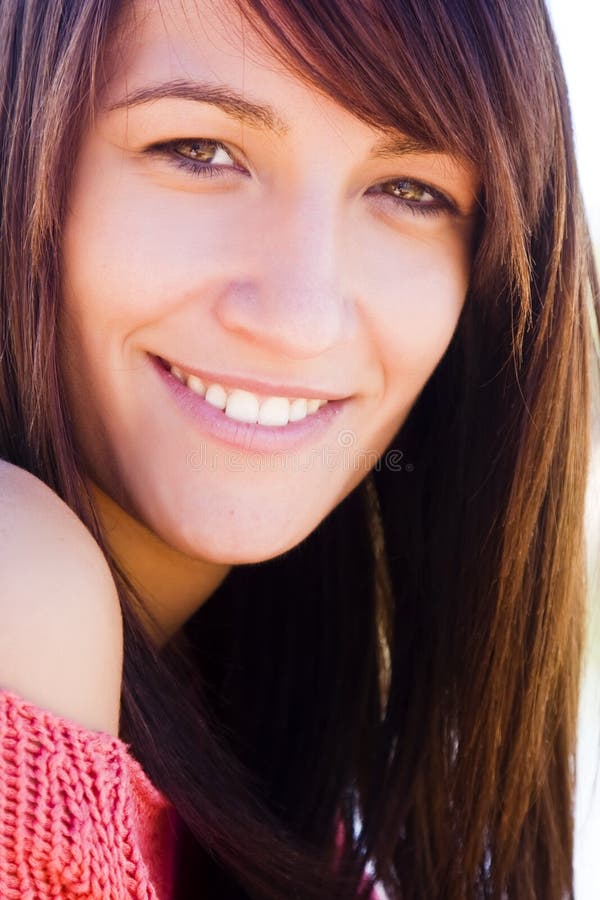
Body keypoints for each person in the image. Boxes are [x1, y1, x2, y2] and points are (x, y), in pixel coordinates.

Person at [0, 0, 597, 897]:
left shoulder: (271, 763)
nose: (302, 318)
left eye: (410, 192)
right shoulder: (18, 580)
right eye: (197, 150)